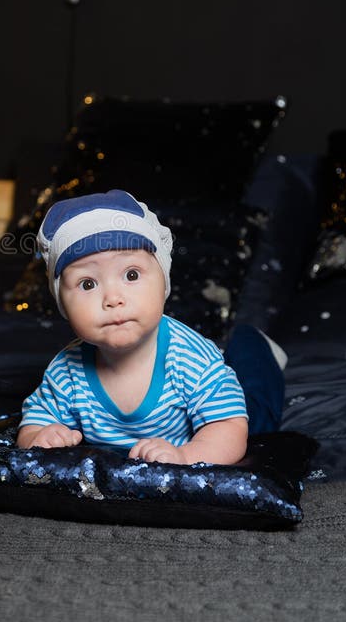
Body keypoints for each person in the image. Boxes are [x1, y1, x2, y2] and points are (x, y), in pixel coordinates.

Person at [16, 189, 286, 465]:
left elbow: (228, 427)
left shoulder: (192, 359)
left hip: (206, 437)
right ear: (62, 303)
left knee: (257, 416)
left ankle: (255, 343)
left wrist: (184, 456)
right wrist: (39, 437)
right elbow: (34, 423)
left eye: (131, 274)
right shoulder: (65, 371)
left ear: (163, 282)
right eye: (88, 284)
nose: (113, 298)